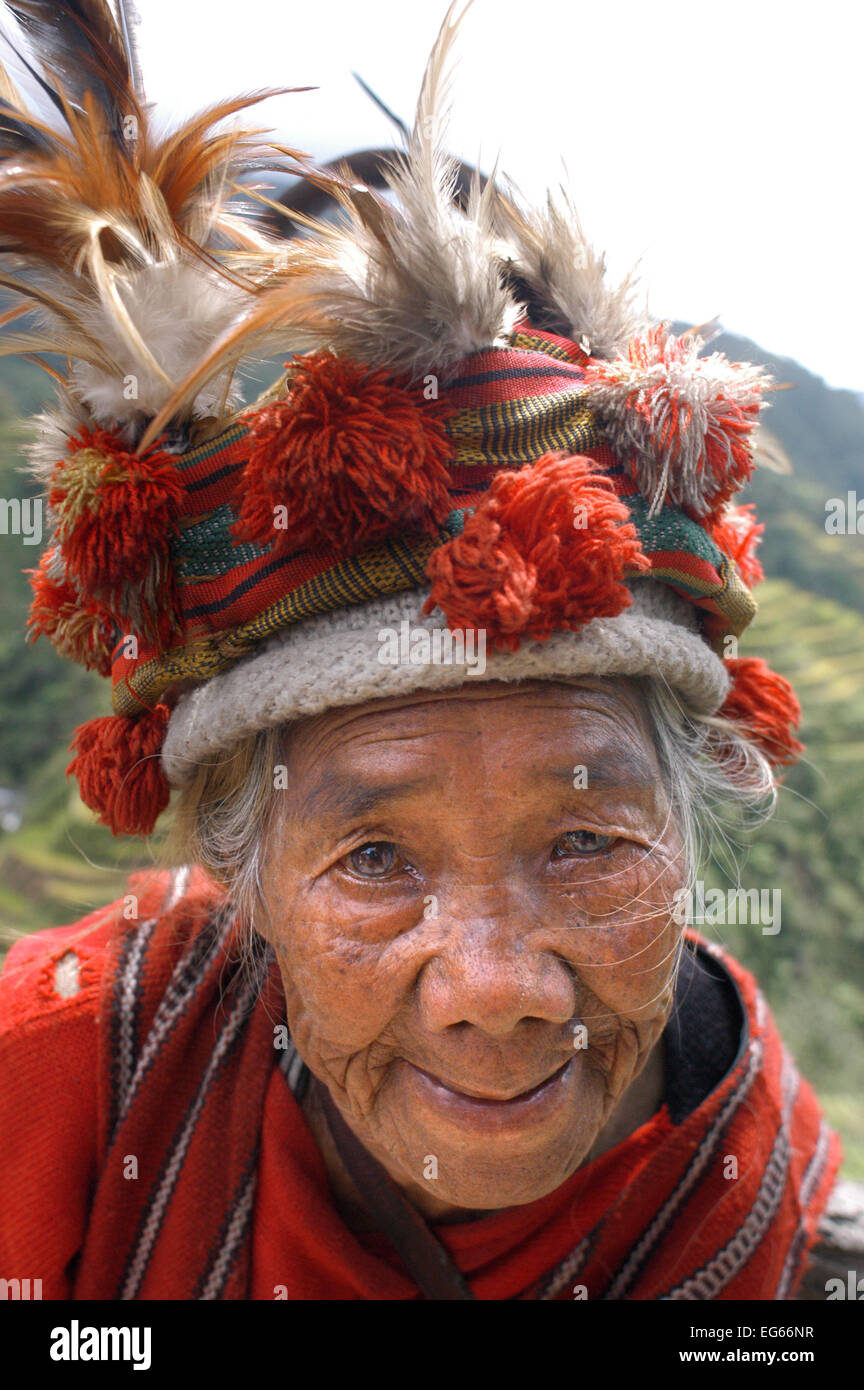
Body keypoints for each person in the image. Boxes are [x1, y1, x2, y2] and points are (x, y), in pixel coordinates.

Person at [0, 1, 840, 1299]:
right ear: (248, 884)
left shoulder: (762, 1199)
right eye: (374, 857)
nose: (493, 989)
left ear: (688, 835)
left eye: (588, 842)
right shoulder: (50, 1083)